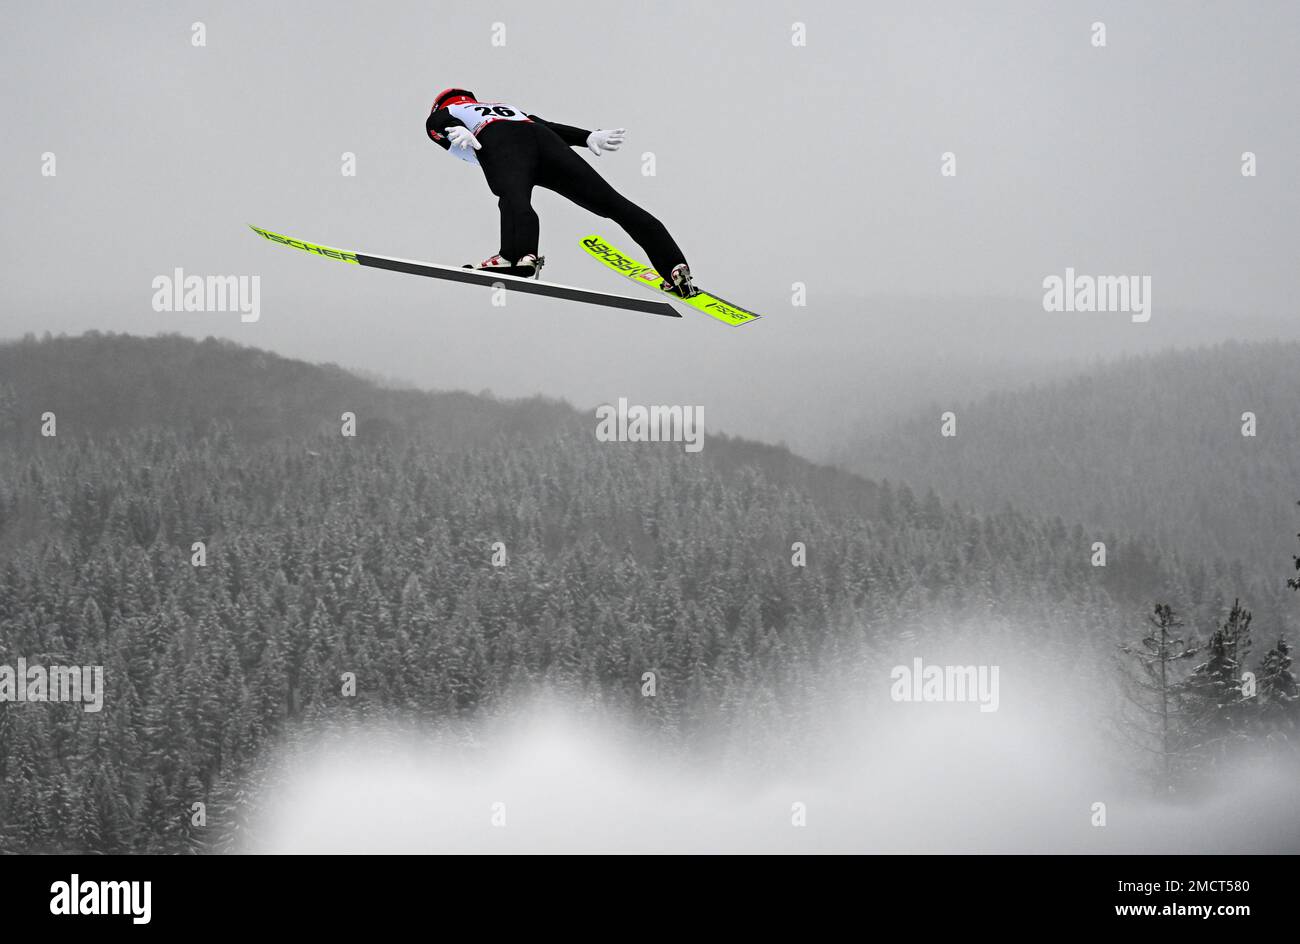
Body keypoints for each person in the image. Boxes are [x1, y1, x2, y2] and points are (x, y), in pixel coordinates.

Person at [426, 88, 695, 297]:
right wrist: (587, 137)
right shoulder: (502, 107)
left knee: (513, 195)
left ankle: (516, 255)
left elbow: (437, 121)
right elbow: (545, 125)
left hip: (501, 140)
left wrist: (453, 128)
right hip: (544, 141)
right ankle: (675, 268)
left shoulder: (454, 110)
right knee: (614, 204)